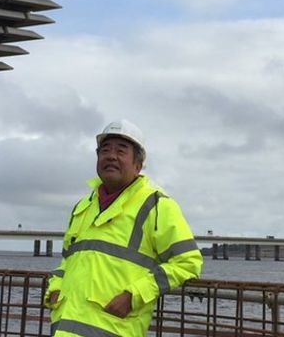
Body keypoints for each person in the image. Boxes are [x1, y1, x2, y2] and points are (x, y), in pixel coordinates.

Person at [45, 119, 203, 337]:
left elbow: (188, 262)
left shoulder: (157, 205)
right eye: (105, 151)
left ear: (138, 165)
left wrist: (134, 295)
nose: (111, 156)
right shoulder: (83, 207)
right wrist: (55, 288)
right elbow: (67, 260)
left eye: (121, 151)